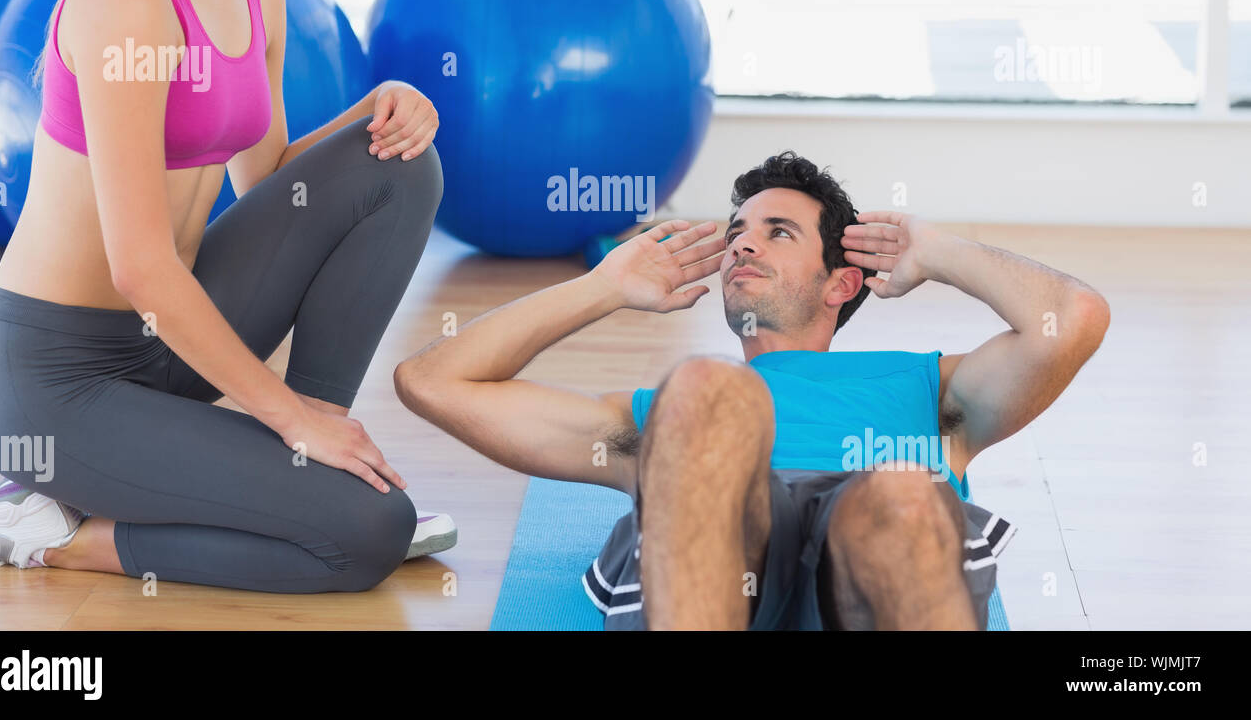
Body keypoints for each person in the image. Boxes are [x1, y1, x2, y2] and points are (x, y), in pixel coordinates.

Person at [0, 0, 455, 593]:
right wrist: (282, 421)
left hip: (162, 346)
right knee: (372, 534)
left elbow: (270, 180)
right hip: (55, 386)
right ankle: (50, 531)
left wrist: (375, 111)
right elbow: (138, 266)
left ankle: (325, 461)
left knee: (396, 163)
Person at [394, 150, 1111, 629]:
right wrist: (602, 287)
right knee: (710, 390)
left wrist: (939, 251)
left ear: (843, 282)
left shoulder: (930, 389)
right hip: (718, 547)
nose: (741, 244)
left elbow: (1072, 319)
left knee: (900, 489)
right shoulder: (665, 420)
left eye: (777, 233)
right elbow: (431, 381)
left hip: (876, 565)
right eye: (737, 231)